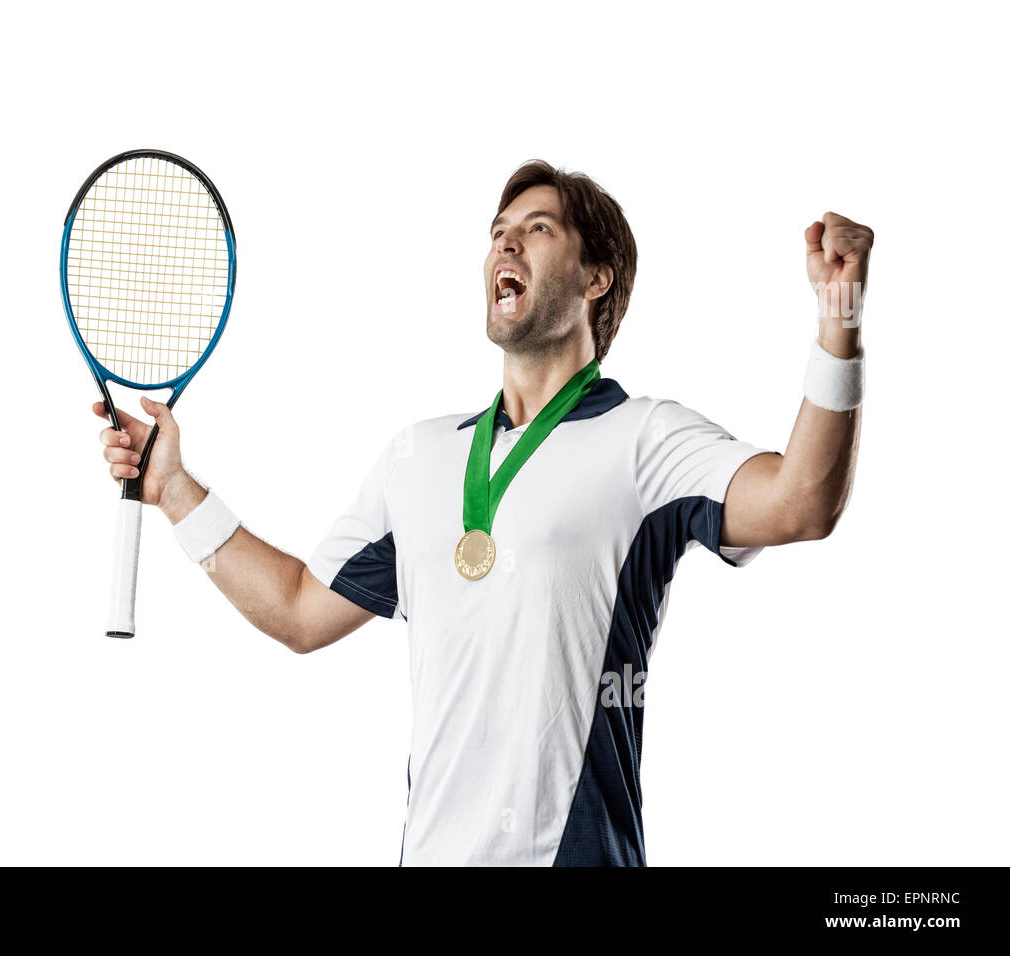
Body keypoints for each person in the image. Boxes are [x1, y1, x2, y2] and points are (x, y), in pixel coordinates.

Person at [93, 160, 870, 866]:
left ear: (596, 278)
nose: (507, 245)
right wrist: (173, 491)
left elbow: (803, 501)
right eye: (498, 233)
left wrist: (839, 322)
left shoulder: (645, 441)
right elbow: (300, 610)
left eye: (538, 230)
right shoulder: (417, 456)